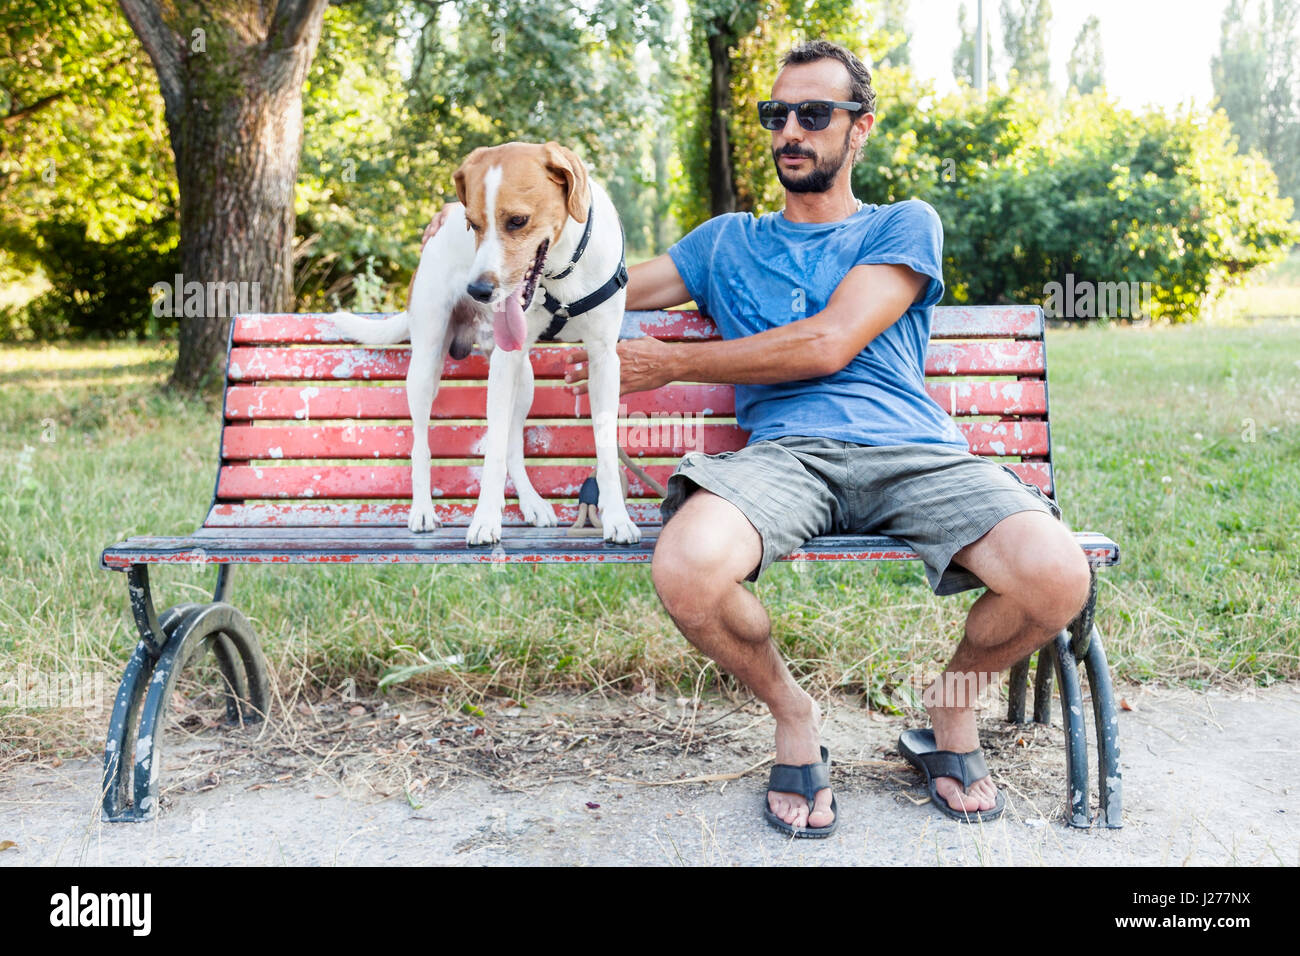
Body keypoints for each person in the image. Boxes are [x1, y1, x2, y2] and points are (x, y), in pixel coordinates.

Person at [419, 39, 1092, 837]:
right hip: (786, 460)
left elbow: (829, 342)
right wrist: (479, 242)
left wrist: (672, 363)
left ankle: (949, 715)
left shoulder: (905, 225)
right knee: (687, 568)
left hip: (915, 451)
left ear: (860, 128)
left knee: (1056, 575)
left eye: (815, 114)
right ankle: (793, 713)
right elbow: (599, 282)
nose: (791, 131)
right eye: (778, 115)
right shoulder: (723, 243)